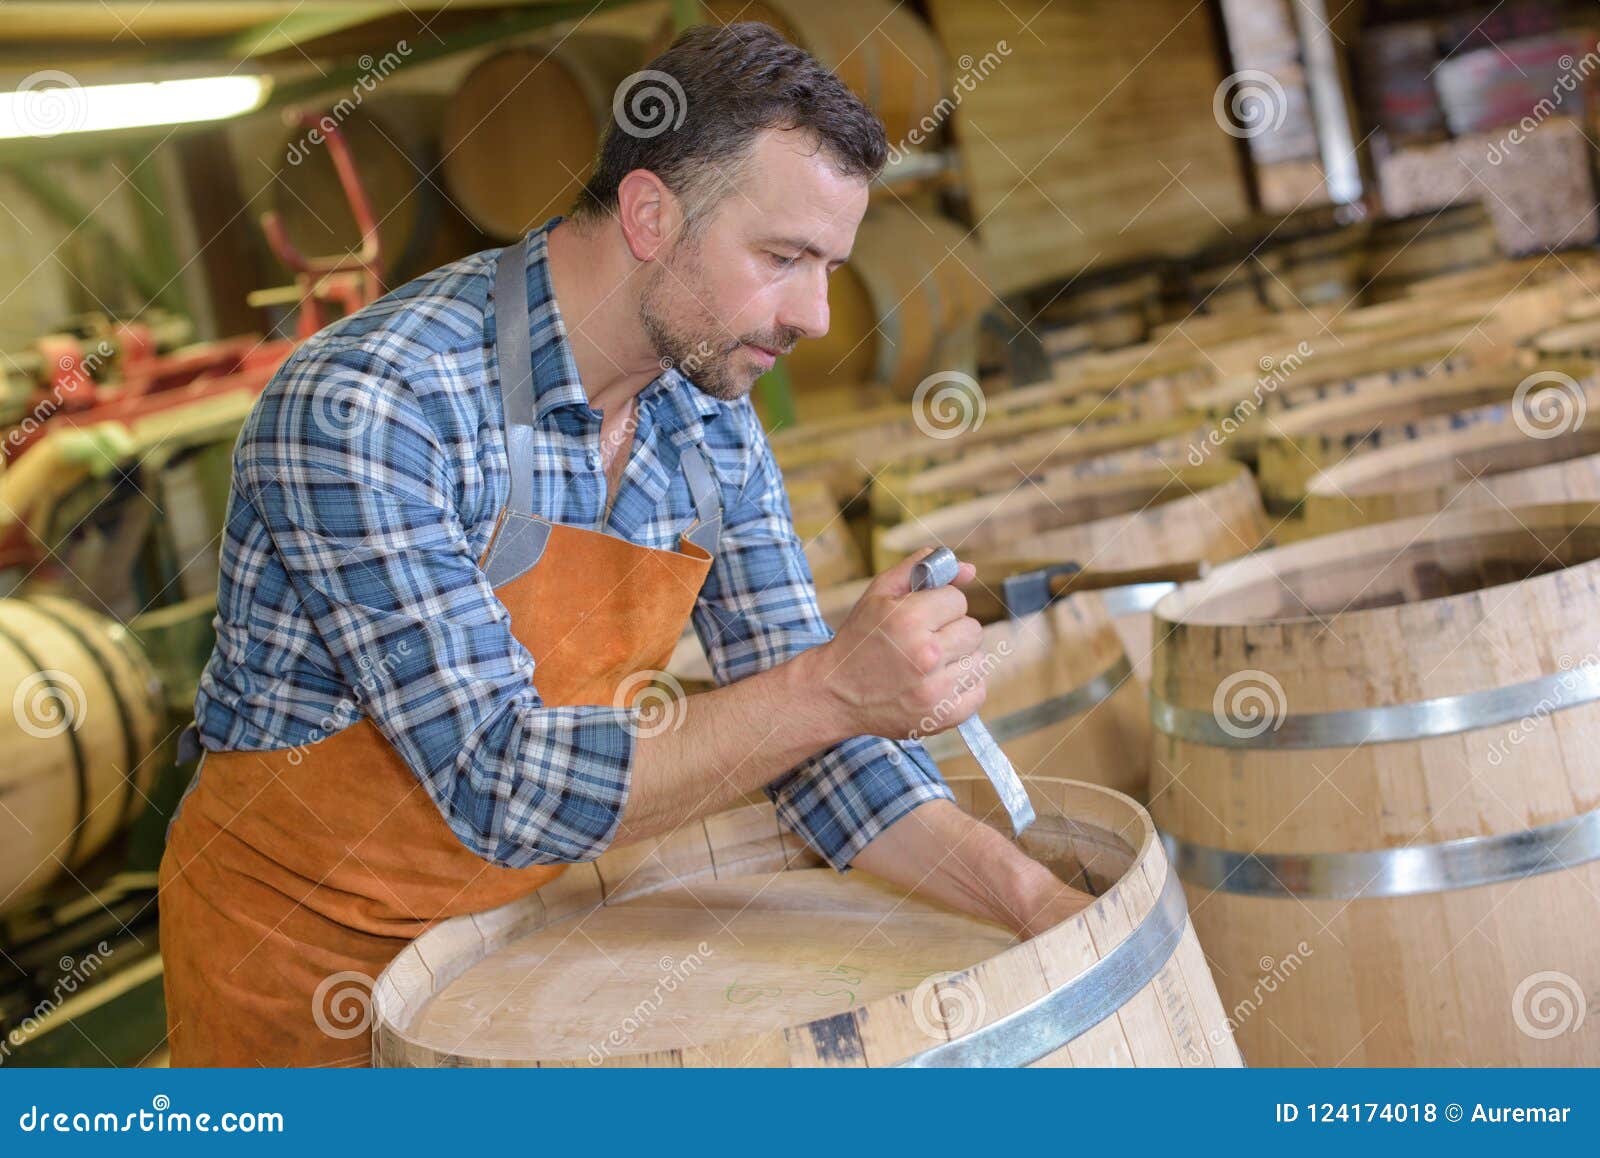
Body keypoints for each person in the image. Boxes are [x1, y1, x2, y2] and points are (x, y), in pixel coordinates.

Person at [158, 21, 1090, 1067]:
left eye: (830, 266)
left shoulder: (709, 417)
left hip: (513, 948)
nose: (819, 315)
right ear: (651, 214)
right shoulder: (371, 404)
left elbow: (821, 752)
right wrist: (836, 685)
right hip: (301, 962)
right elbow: (501, 783)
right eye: (782, 258)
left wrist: (1037, 902)